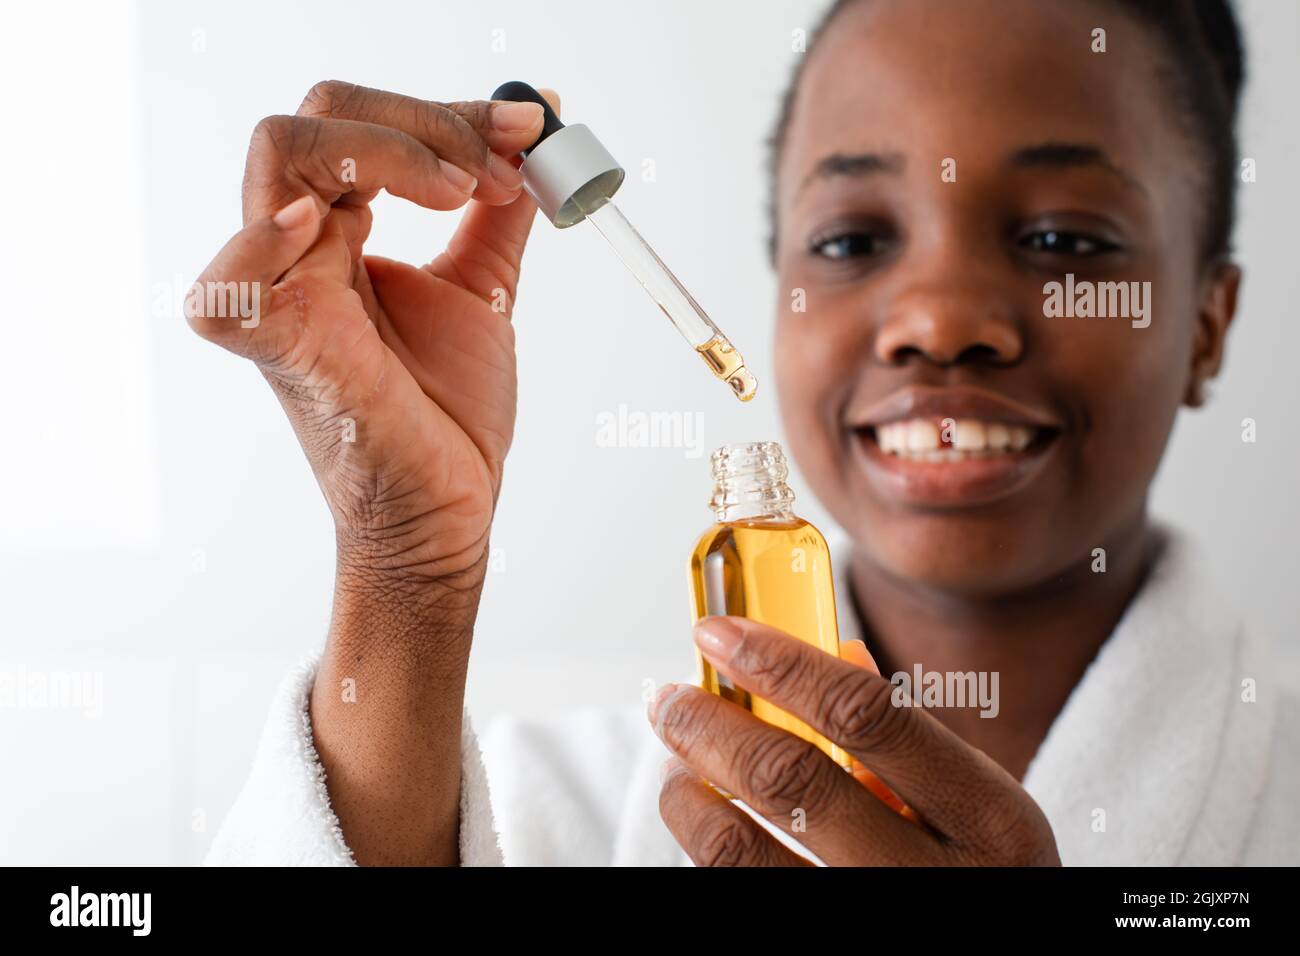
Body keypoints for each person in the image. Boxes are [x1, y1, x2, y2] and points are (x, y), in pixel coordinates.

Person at [191, 0, 1297, 866]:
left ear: (1207, 323)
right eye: (854, 239)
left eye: (1061, 236)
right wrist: (403, 559)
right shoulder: (534, 815)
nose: (937, 321)